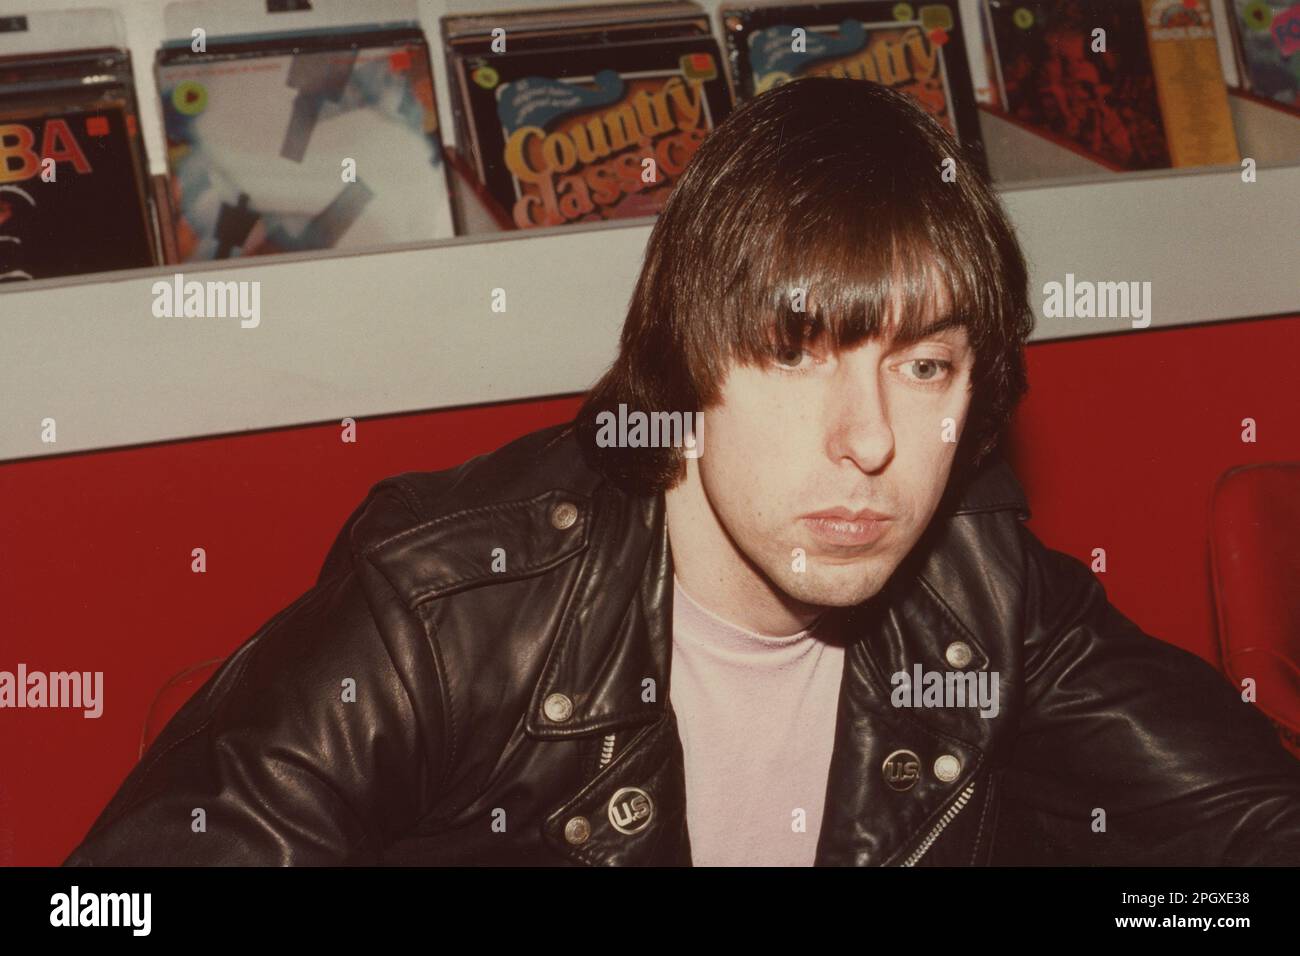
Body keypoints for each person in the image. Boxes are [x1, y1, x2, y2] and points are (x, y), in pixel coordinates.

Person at [65, 77, 1300, 866]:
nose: (867, 440)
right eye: (794, 352)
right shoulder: (451, 601)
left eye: (925, 368)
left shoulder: (985, 597)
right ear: (681, 370)